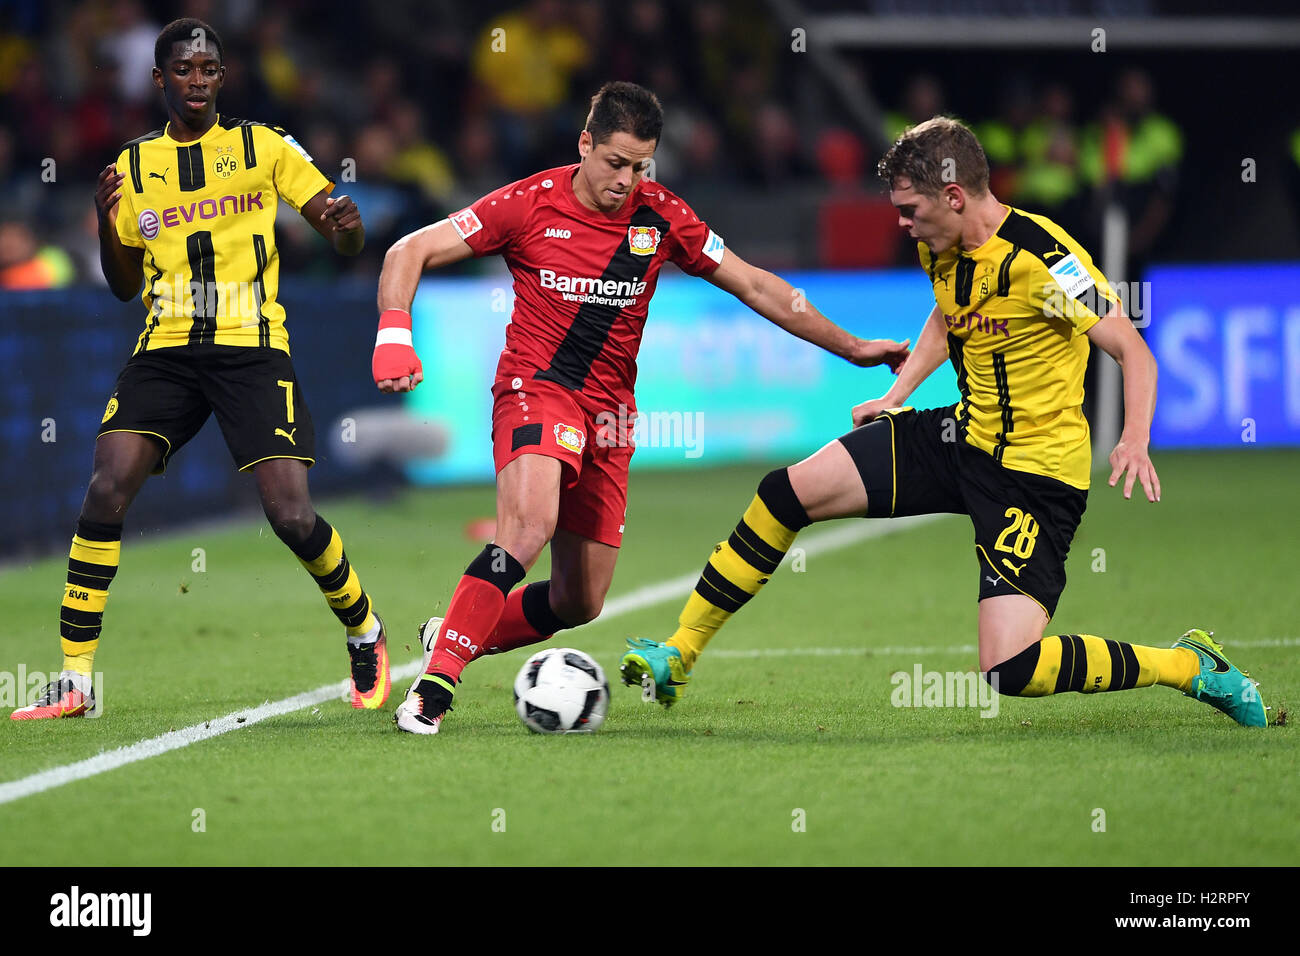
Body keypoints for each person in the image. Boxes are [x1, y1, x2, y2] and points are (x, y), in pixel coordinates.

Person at [620, 116, 1269, 728]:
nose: (903, 224)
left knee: (1010, 668)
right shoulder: (943, 246)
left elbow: (1132, 348)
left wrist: (1133, 438)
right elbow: (947, 313)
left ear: (955, 196)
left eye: (911, 210)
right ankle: (679, 651)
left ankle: (1188, 665)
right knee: (785, 493)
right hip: (961, 437)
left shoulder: (1043, 261)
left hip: (1034, 478)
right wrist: (898, 395)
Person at [373, 81, 911, 735]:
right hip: (536, 390)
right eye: (615, 163)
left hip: (610, 419)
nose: (625, 180)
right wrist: (394, 331)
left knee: (581, 599)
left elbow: (756, 284)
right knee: (527, 526)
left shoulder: (661, 217)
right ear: (585, 144)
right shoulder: (527, 204)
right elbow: (411, 249)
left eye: (640, 166)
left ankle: (455, 634)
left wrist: (852, 346)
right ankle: (433, 692)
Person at [11, 19, 390, 719]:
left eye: (207, 69)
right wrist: (105, 223)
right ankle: (74, 677)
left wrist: (346, 225)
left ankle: (364, 627)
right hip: (167, 347)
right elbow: (124, 285)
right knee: (105, 489)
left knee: (289, 513)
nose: (195, 80)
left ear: (221, 77)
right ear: (160, 80)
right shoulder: (131, 167)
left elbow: (343, 235)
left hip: (251, 343)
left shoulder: (264, 145)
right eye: (182, 69)